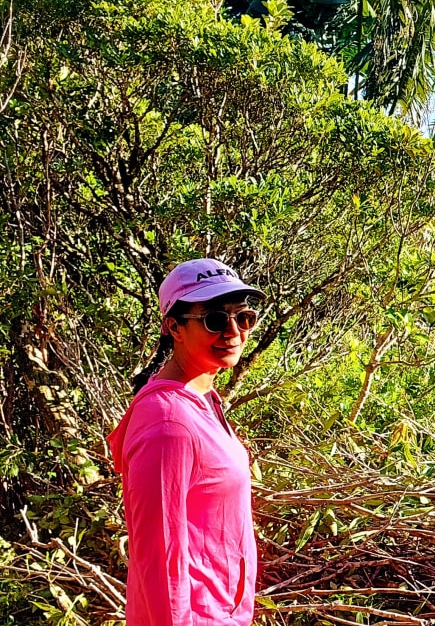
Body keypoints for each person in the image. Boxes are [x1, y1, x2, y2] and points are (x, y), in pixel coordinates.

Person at [107, 258, 264, 625]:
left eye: (243, 317)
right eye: (213, 319)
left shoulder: (202, 398)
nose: (233, 332)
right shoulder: (168, 422)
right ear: (173, 327)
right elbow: (159, 558)